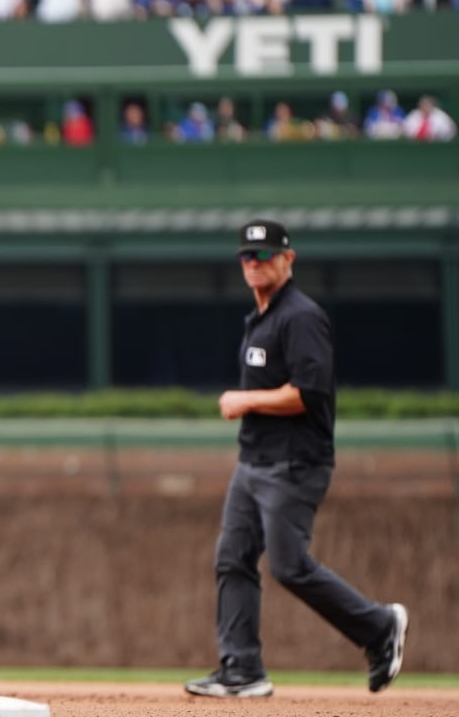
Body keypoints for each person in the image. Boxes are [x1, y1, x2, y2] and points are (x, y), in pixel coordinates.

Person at [185, 219, 410, 698]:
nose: (254, 264)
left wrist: (245, 402)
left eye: (265, 255)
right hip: (254, 462)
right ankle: (241, 669)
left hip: (295, 463)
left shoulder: (301, 316)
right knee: (232, 557)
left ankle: (379, 627)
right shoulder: (260, 318)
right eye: (247, 256)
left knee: (289, 566)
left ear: (289, 258)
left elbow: (307, 393)